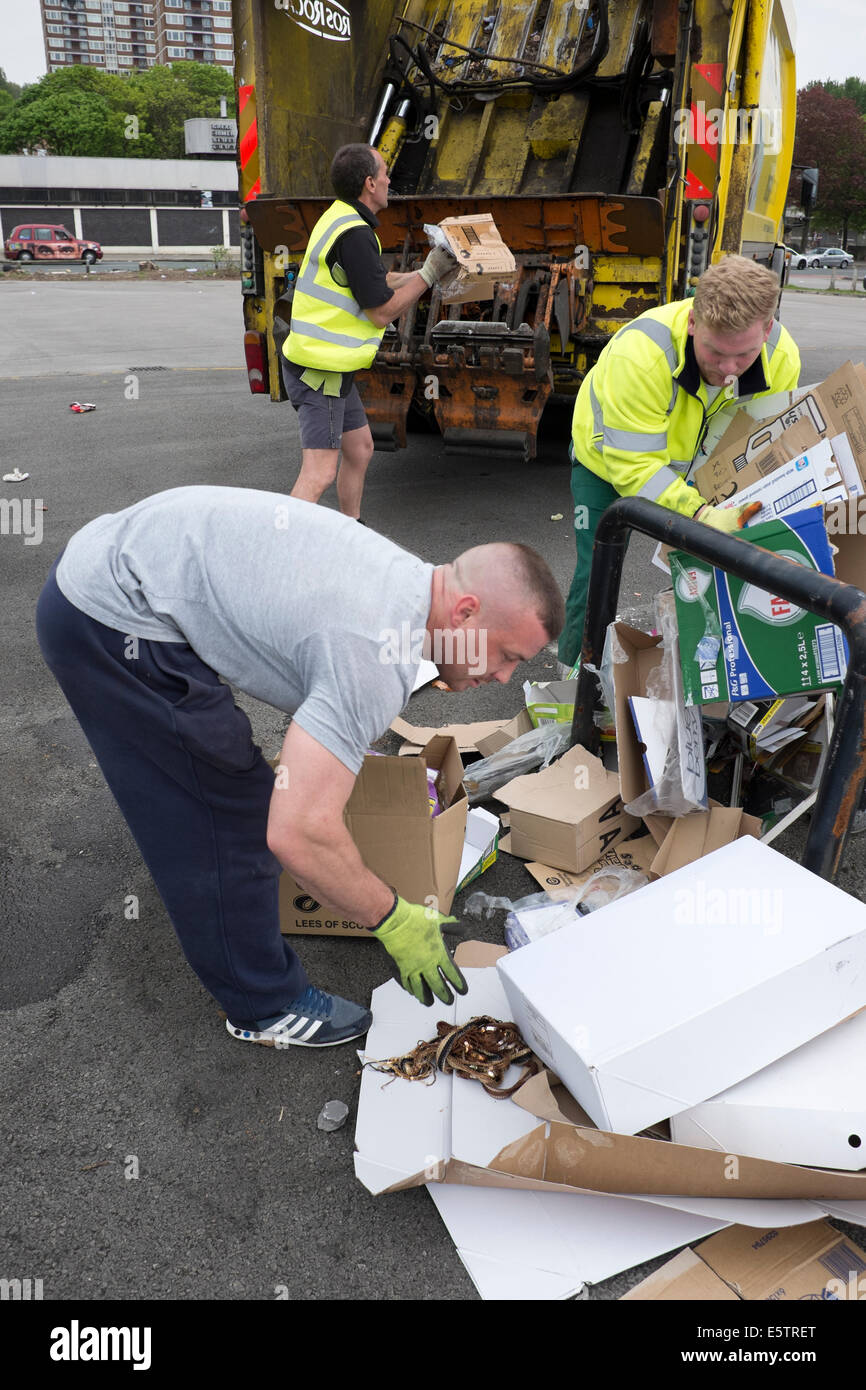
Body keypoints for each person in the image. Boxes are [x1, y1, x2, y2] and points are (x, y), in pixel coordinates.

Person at [36, 486, 564, 1050]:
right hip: (111, 618)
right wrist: (394, 919)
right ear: (465, 612)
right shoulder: (373, 654)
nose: (506, 678)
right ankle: (262, 1006)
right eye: (510, 656)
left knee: (239, 780)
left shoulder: (408, 584)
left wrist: (337, 748)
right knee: (230, 818)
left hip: (126, 561)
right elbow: (296, 835)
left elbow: (307, 647)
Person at [558, 254, 801, 669]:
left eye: (742, 356)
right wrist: (700, 513)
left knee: (718, 566)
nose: (727, 371)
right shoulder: (640, 355)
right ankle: (571, 681)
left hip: (695, 471)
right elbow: (634, 471)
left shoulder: (782, 359)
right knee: (597, 572)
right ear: (692, 322)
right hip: (606, 465)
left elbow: (754, 448)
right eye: (715, 352)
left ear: (766, 330)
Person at [281, 143, 456, 521]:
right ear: (369, 183)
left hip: (327, 364)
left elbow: (376, 282)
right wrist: (428, 276)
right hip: (320, 369)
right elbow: (381, 312)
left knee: (359, 448)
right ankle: (278, 552)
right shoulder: (355, 234)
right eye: (385, 173)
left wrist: (428, 270)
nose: (390, 179)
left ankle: (351, 531)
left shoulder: (342, 218)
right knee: (319, 473)